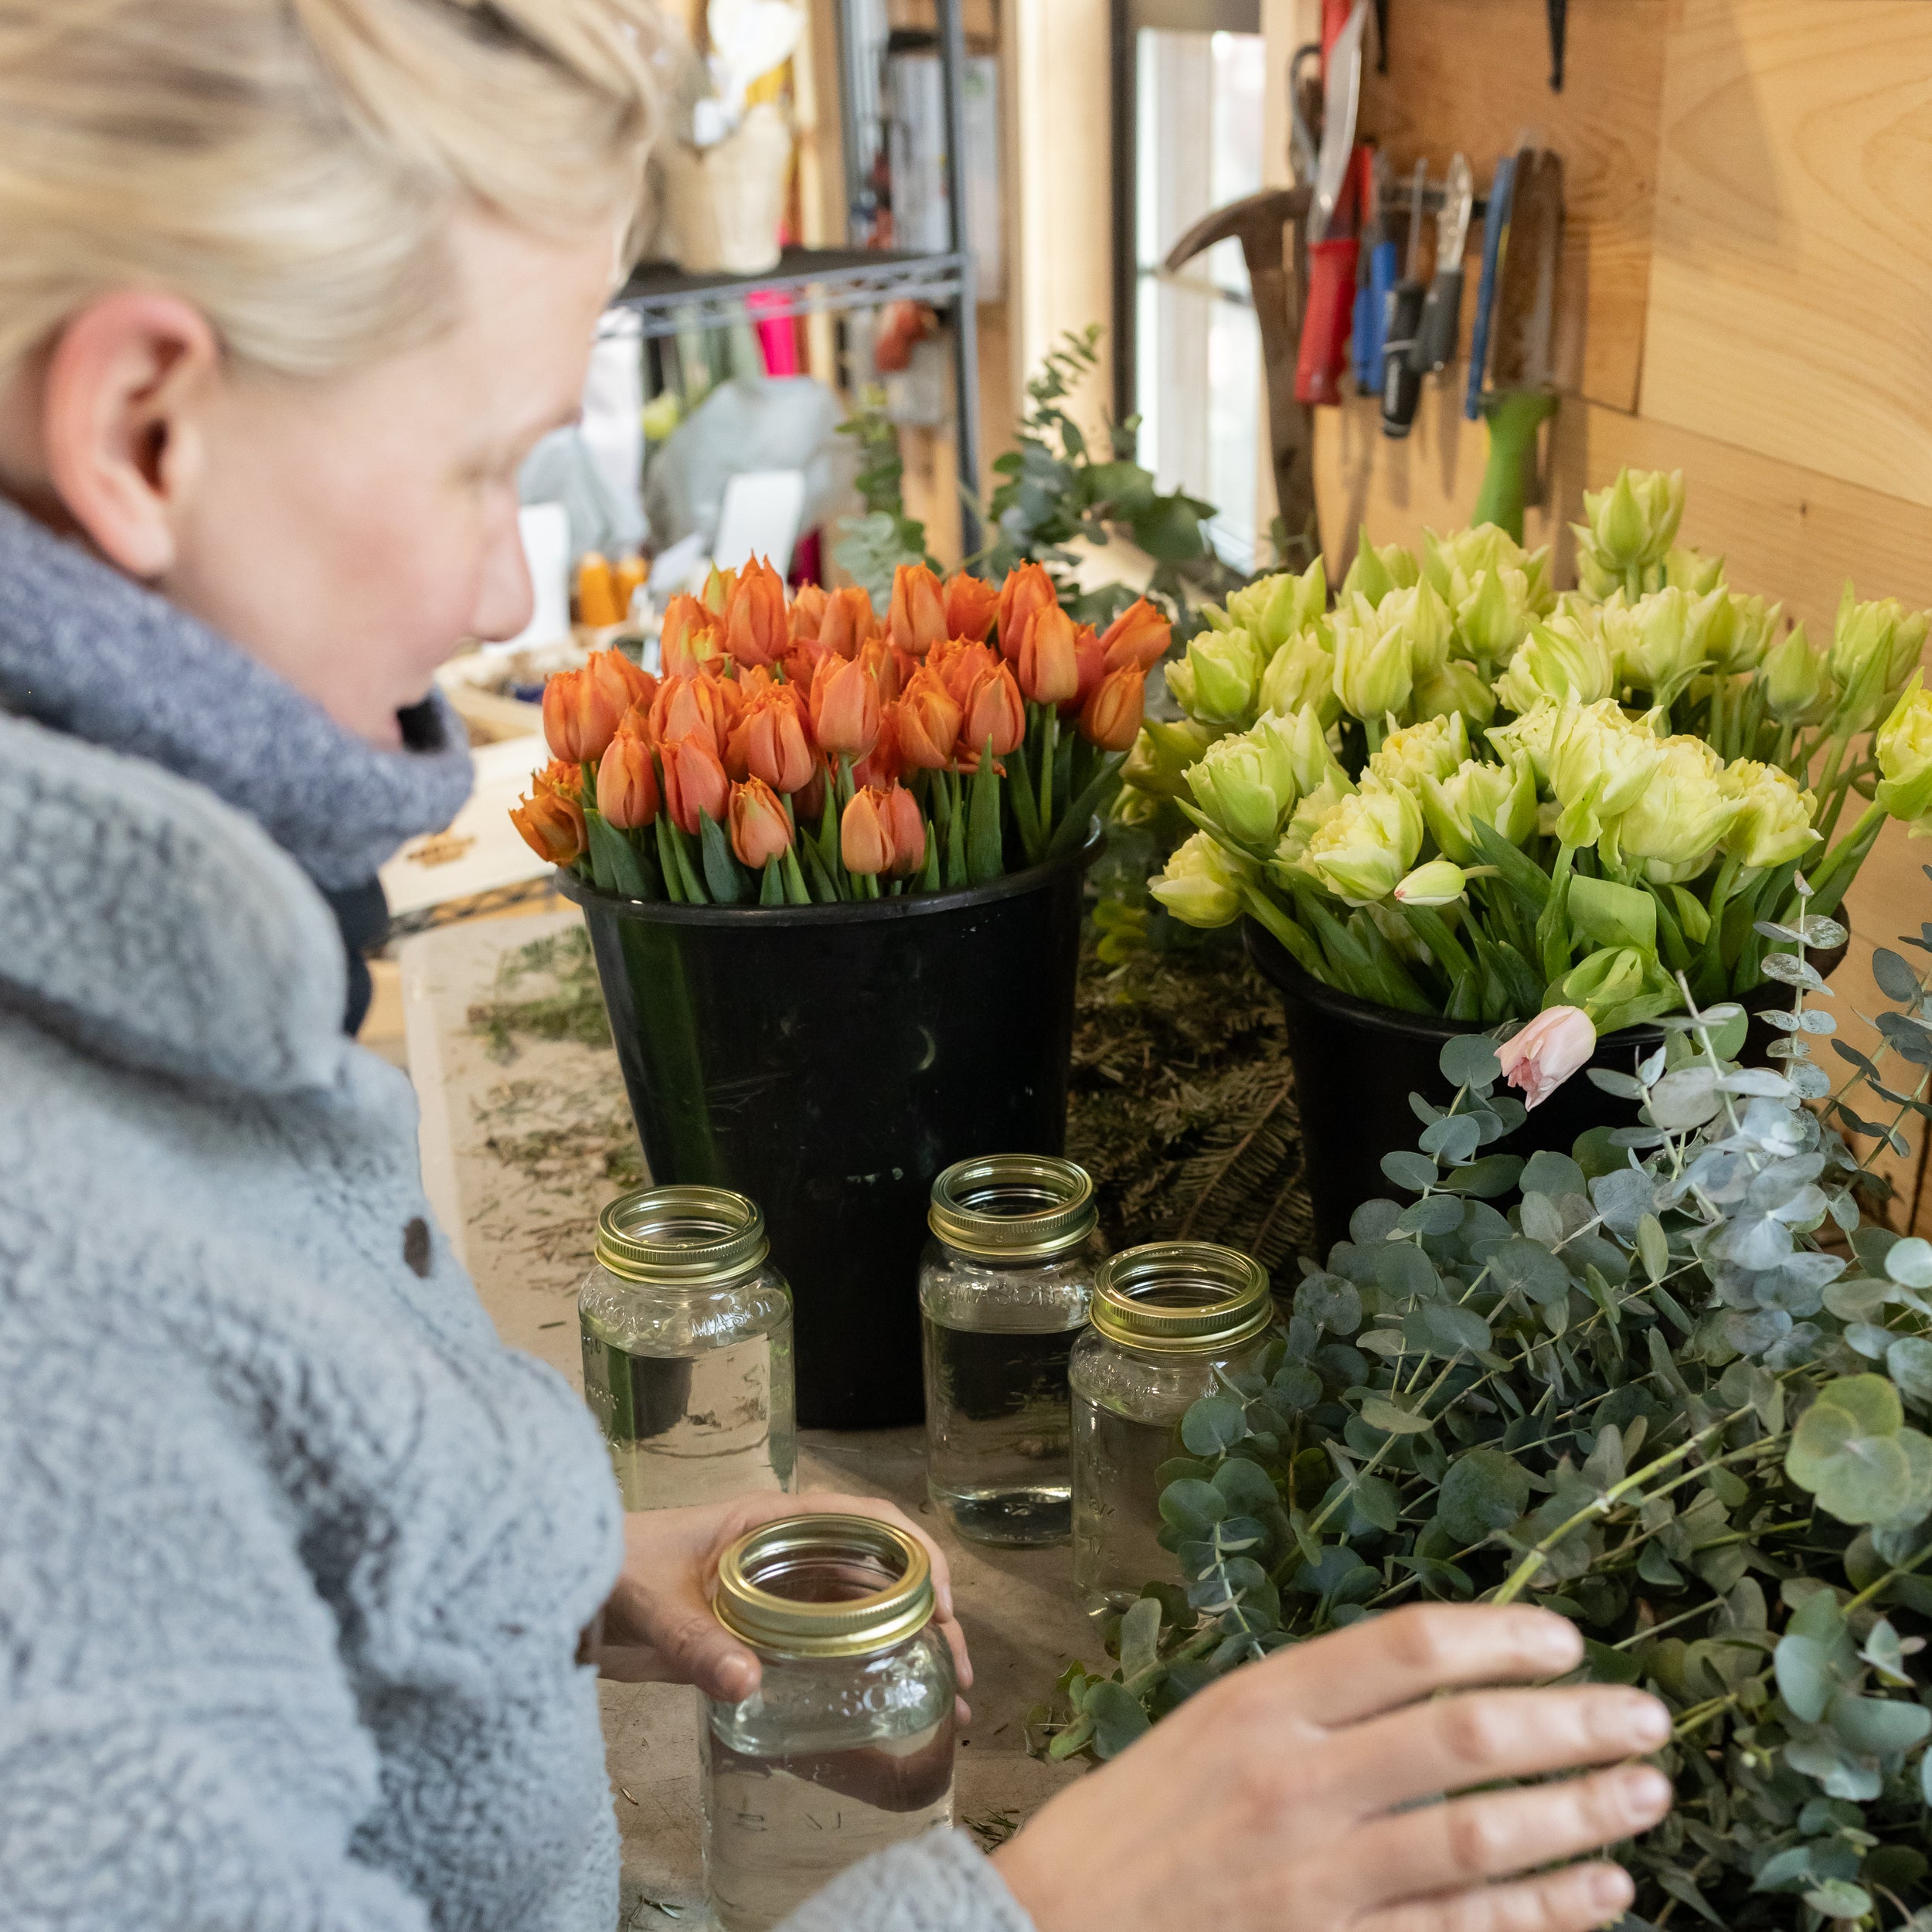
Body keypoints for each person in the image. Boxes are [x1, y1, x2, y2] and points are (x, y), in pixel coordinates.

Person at [0, 5, 1675, 1930]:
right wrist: (1058, 1907)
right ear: (143, 427)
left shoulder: (154, 992)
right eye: (484, 467)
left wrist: (543, 1555)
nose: (492, 596)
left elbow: (260, 1494)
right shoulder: (46, 1327)